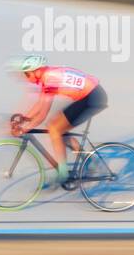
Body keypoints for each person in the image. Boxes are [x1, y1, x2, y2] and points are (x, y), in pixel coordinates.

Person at [11, 55, 107, 184]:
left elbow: (42, 114)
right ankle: (86, 159)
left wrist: (25, 128)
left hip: (92, 98)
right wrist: (24, 118)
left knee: (54, 129)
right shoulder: (47, 76)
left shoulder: (50, 78)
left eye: (27, 75)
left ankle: (63, 173)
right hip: (90, 95)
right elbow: (40, 104)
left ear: (36, 70)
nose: (27, 78)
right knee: (57, 128)